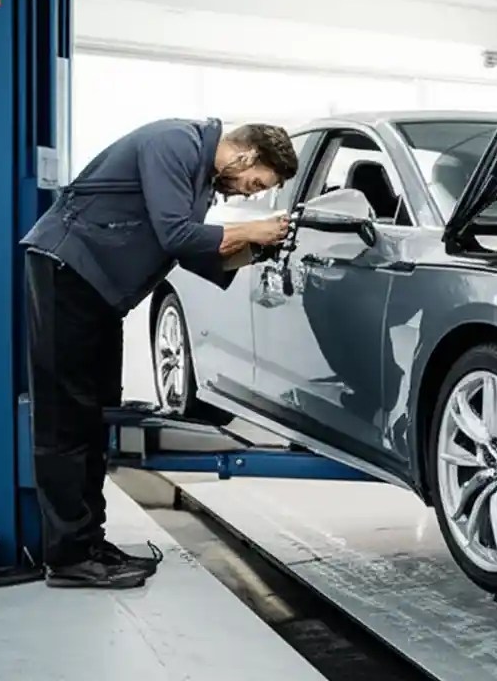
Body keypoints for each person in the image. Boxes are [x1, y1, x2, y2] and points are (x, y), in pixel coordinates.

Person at [20, 119, 298, 588]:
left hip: (99, 293)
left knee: (94, 416)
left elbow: (191, 250)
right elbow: (176, 235)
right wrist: (254, 229)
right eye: (255, 184)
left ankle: (88, 543)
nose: (249, 194)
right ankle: (67, 558)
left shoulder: (200, 177)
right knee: (66, 420)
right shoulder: (175, 144)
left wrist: (258, 249)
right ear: (247, 156)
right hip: (68, 275)